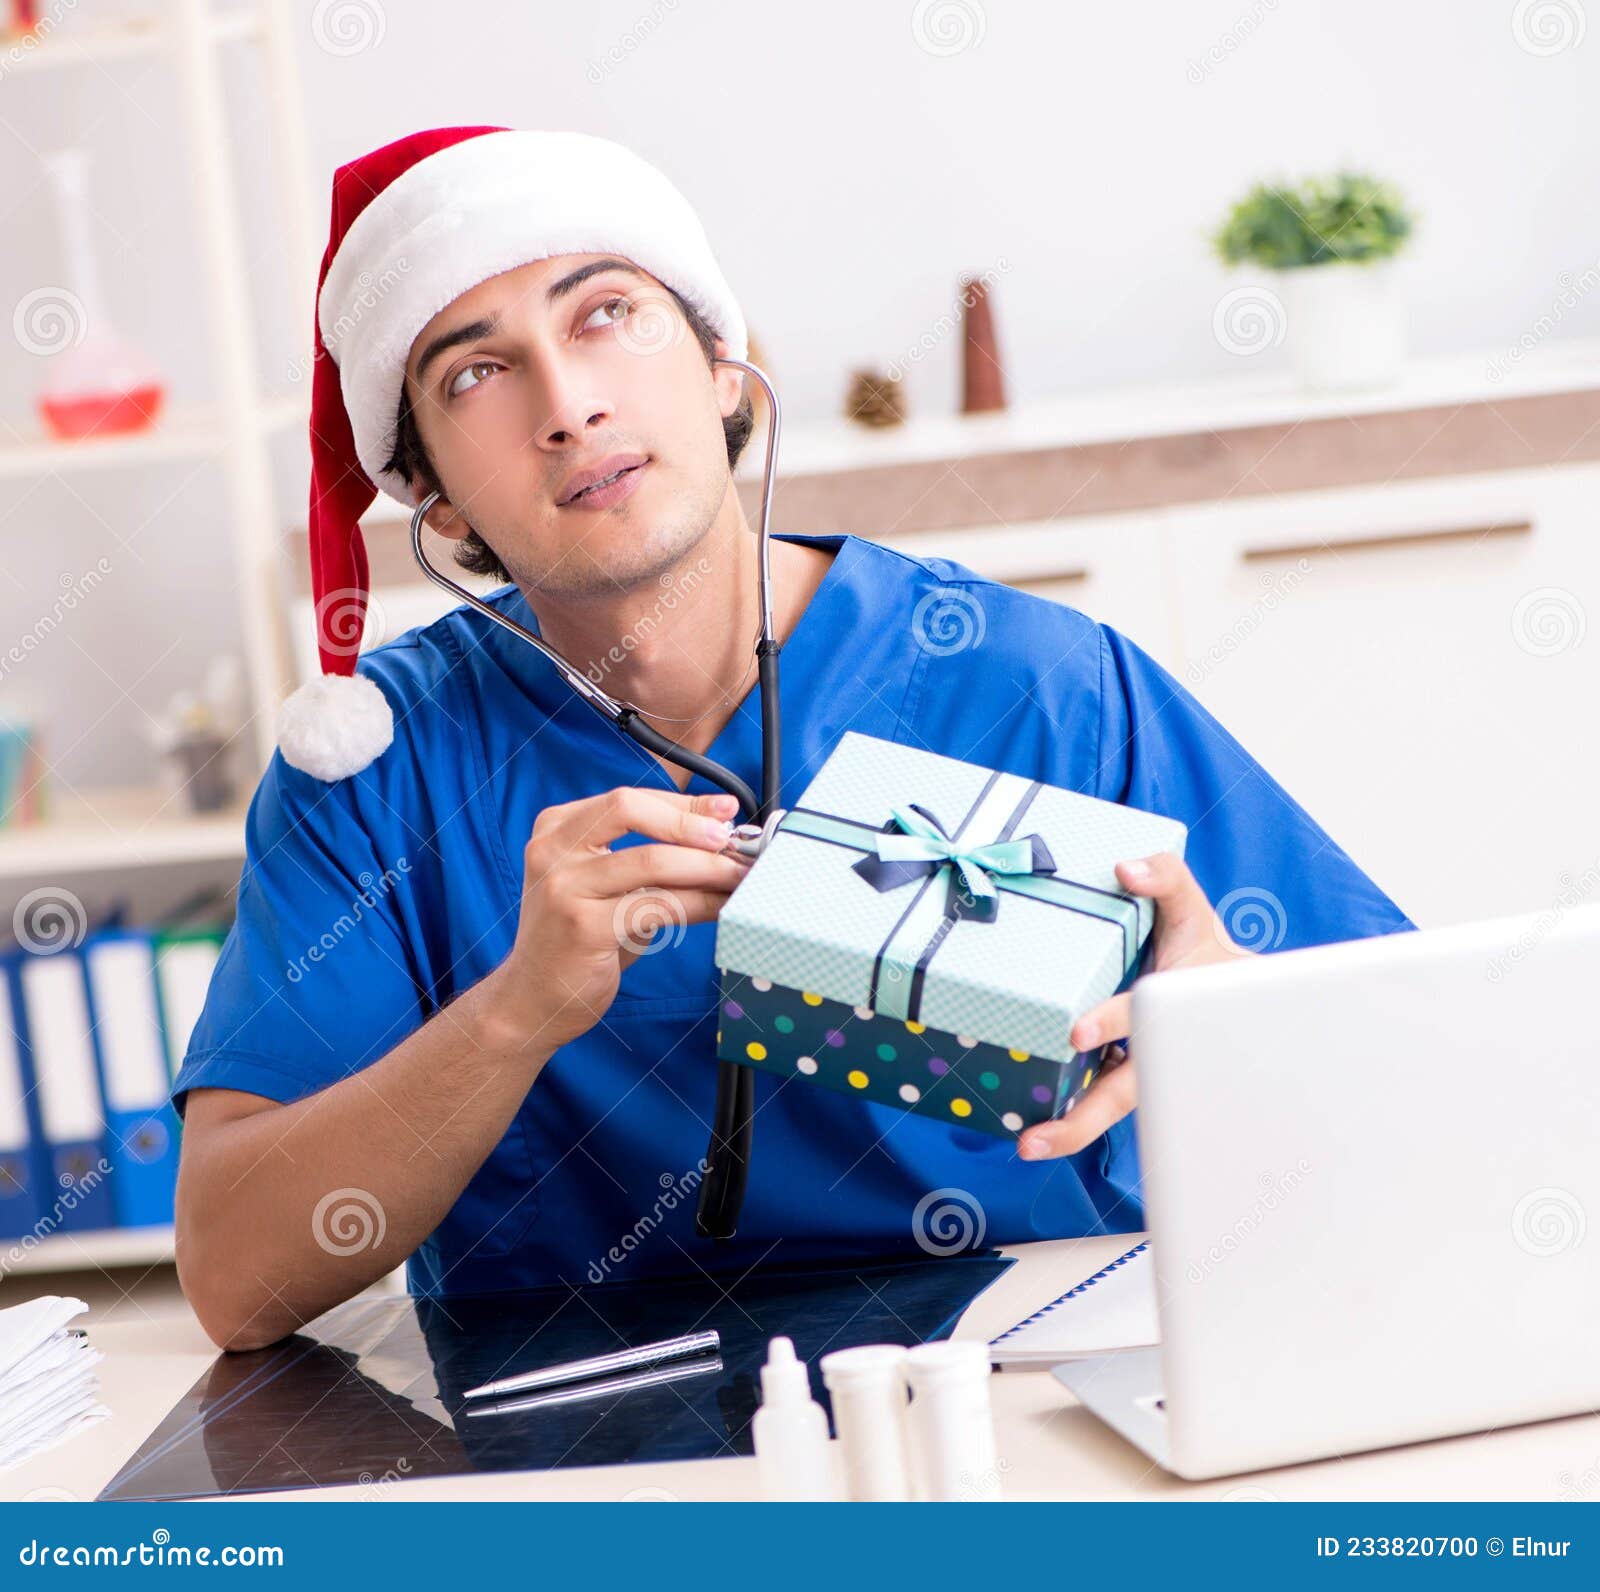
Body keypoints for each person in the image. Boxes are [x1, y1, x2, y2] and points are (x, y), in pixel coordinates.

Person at [170, 126, 1414, 1351]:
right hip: (586, 1440)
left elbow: (1407, 1063)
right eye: (474, 374)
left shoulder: (1039, 683)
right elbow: (234, 1279)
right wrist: (514, 1013)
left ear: (724, 366)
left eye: (606, 314)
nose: (568, 404)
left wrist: (1229, 1032)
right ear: (434, 497)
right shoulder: (374, 772)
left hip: (1025, 1391)